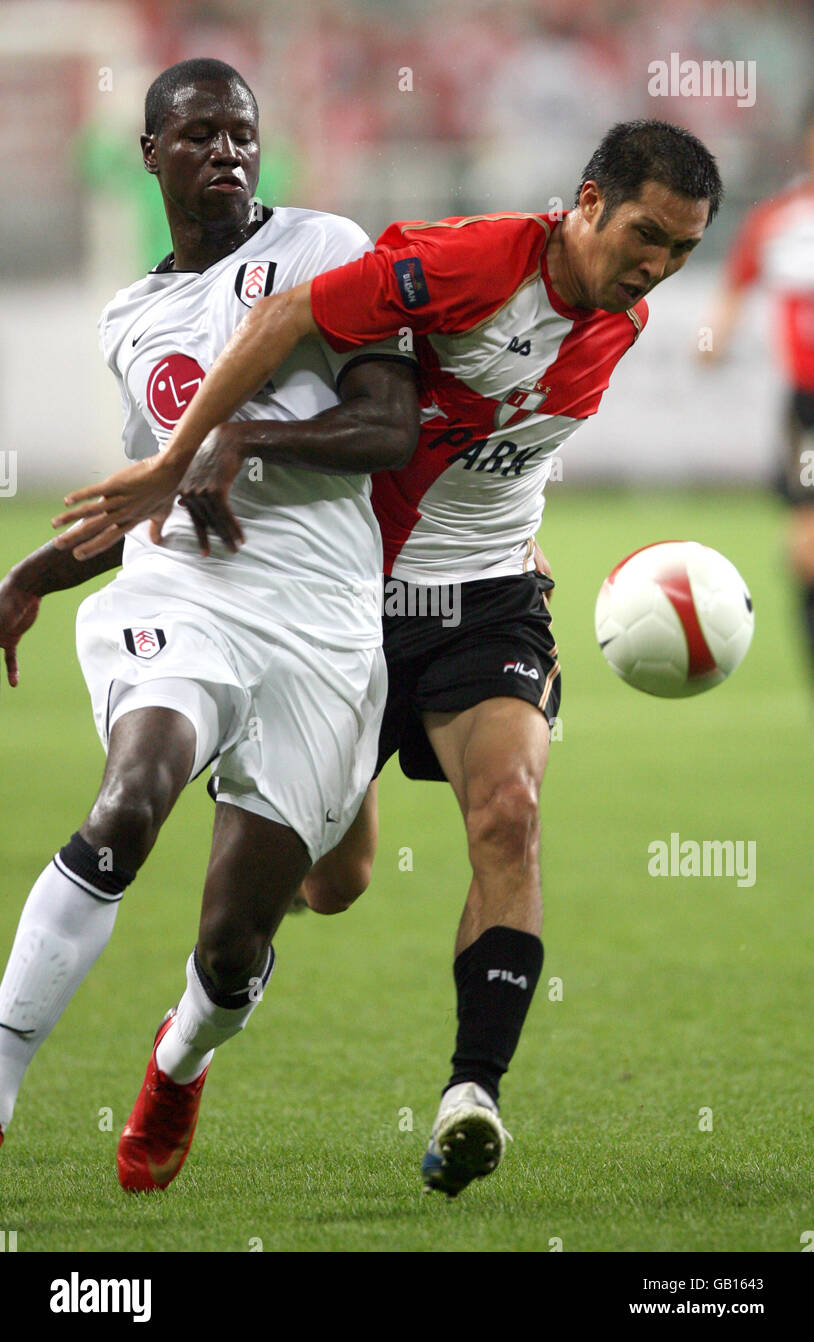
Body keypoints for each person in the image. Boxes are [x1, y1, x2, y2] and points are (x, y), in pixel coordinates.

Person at [53, 119, 723, 1198]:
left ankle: (472, 1094)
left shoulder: (619, 315)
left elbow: (502, 442)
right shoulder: (465, 262)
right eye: (645, 235)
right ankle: (188, 1040)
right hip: (351, 606)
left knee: (509, 810)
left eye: (682, 251)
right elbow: (286, 317)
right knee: (330, 884)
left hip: (492, 605)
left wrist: (512, 528)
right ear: (587, 202)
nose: (655, 267)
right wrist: (181, 460)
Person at [0, 57, 420, 1191]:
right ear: (149, 155)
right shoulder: (130, 317)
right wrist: (33, 571)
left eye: (241, 132)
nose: (227, 152)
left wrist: (250, 443)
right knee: (129, 803)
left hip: (320, 618)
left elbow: (392, 426)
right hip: (182, 596)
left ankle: (180, 1059)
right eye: (198, 134)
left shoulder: (328, 248)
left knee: (236, 939)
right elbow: (154, 486)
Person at [701, 96, 814, 688]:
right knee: (805, 550)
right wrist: (713, 337)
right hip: (807, 409)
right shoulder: (777, 221)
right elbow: (736, 287)